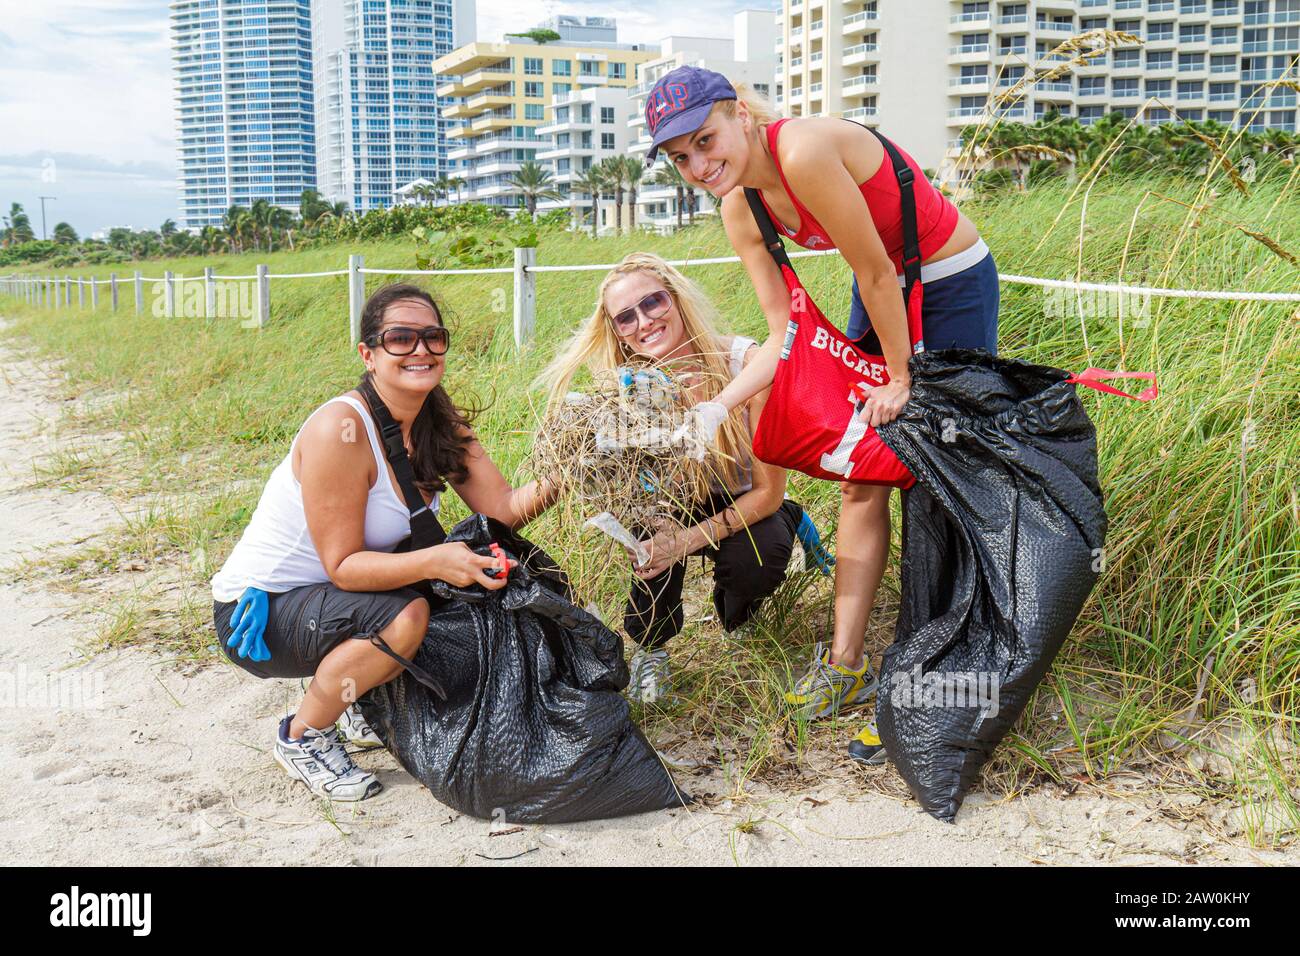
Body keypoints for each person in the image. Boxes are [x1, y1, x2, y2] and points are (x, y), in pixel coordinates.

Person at [643, 67, 1000, 763]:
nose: (697, 165)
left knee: (934, 476)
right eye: (679, 157)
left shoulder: (801, 149)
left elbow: (870, 266)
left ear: (740, 114)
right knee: (859, 474)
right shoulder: (740, 208)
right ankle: (845, 665)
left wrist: (900, 378)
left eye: (705, 140)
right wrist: (719, 404)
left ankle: (934, 673)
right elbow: (784, 334)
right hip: (890, 292)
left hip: (949, 281)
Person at [211, 284, 555, 800]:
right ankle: (304, 734)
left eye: (433, 338)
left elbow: (502, 509)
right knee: (406, 616)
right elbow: (344, 567)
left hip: (338, 599)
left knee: (483, 593)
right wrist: (439, 561)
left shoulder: (439, 422)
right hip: (263, 613)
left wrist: (574, 467)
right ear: (368, 354)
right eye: (401, 338)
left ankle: (358, 697)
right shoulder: (341, 428)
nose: (420, 350)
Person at [539, 252, 806, 704]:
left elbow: (768, 490)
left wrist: (687, 541)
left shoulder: (745, 363)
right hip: (674, 502)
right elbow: (635, 485)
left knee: (756, 557)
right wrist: (658, 526)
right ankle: (651, 645)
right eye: (625, 317)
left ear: (677, 298)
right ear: (615, 329)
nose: (643, 322)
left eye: (653, 303)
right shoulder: (626, 386)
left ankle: (739, 614)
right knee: (644, 544)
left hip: (746, 497)